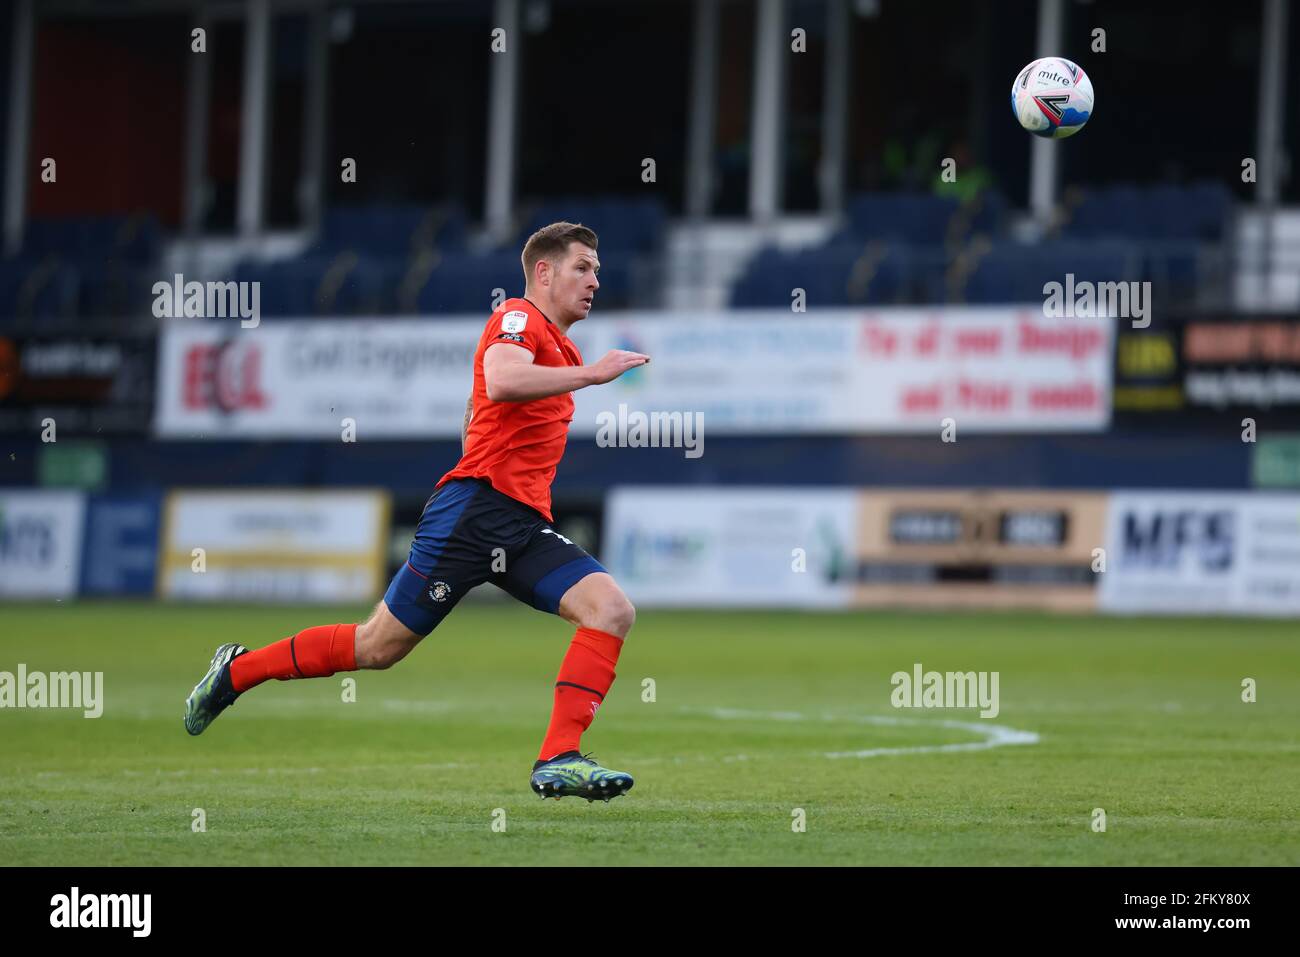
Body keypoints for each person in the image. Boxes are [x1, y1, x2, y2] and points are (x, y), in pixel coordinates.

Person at [184, 222, 651, 803]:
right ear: (544, 272)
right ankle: (236, 672)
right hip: (474, 513)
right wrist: (593, 374)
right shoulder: (517, 318)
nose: (595, 281)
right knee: (376, 648)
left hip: (523, 525)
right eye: (583, 267)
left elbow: (478, 400)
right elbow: (501, 380)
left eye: (598, 270)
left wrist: (489, 431)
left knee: (610, 609)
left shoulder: (561, 346)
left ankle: (558, 757)